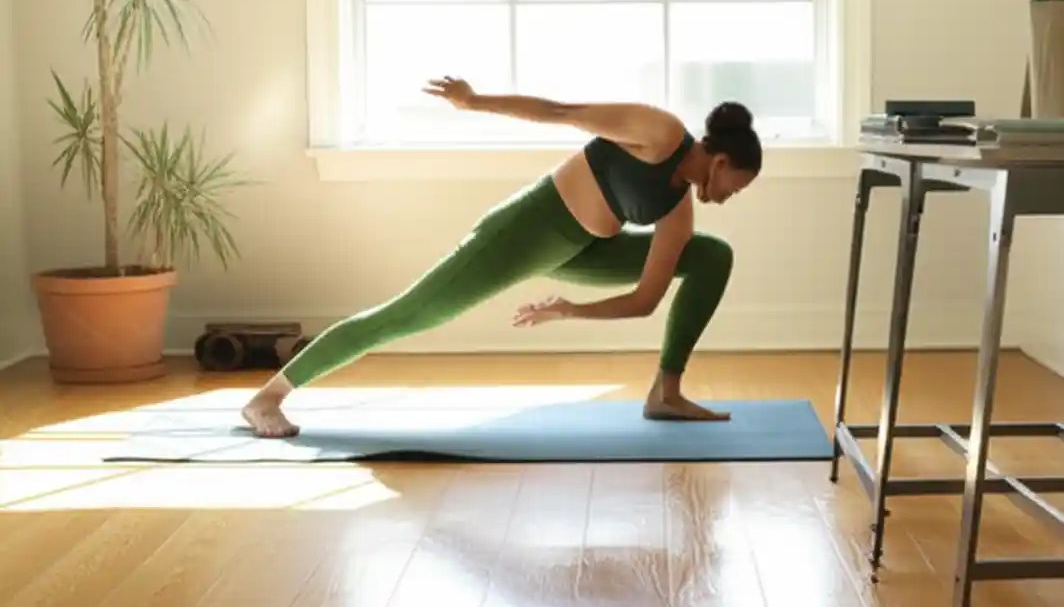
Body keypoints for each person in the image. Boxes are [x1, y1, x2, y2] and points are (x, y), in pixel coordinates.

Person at [240, 76, 763, 437]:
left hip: (581, 251)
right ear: (719, 160)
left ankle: (665, 395)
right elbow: (562, 113)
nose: (729, 196)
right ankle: (270, 396)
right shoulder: (660, 132)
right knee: (410, 315)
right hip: (522, 232)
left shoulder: (679, 211)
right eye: (734, 186)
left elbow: (646, 300)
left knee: (711, 256)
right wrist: (475, 101)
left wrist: (569, 310)